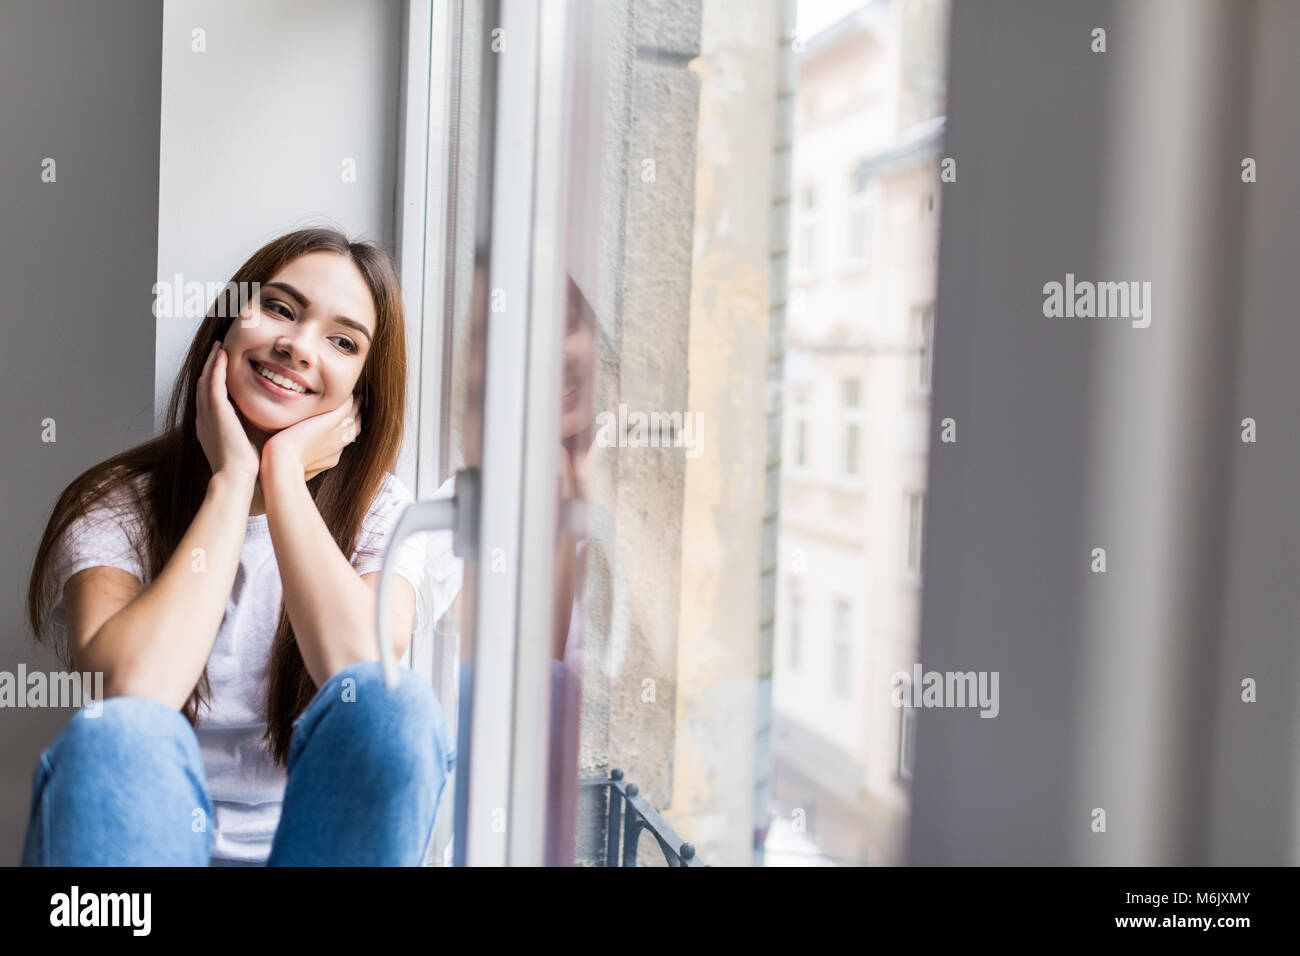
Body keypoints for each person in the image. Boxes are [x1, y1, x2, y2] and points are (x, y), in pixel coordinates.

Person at [22, 227, 455, 866]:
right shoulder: (117, 504)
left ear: (360, 393)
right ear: (228, 326)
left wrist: (282, 476)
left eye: (342, 341)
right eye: (280, 308)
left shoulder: (382, 514)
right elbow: (131, 692)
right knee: (118, 734)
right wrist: (232, 483)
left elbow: (361, 669)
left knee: (398, 706)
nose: (297, 346)